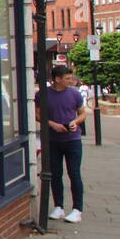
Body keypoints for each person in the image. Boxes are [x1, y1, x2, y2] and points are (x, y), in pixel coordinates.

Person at [41, 65, 86, 223]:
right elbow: (38, 115)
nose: (71, 81)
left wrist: (75, 122)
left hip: (73, 140)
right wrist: (52, 124)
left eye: (71, 78)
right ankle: (59, 206)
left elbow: (82, 114)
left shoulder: (74, 94)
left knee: (74, 173)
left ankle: (77, 209)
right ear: (57, 79)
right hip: (53, 140)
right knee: (55, 174)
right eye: (67, 78)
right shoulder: (43, 94)